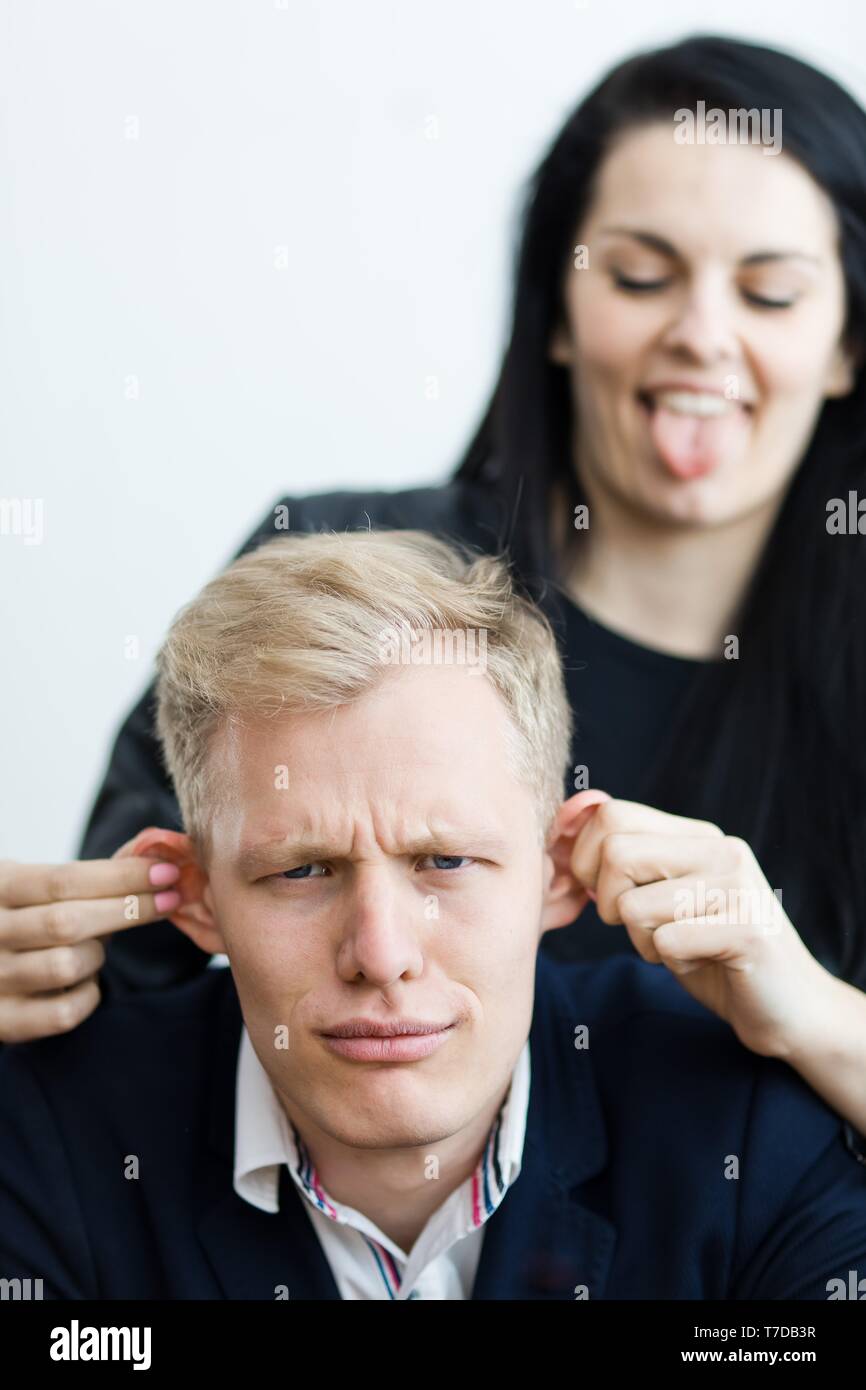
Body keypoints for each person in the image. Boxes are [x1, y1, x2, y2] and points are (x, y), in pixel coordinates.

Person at [3, 36, 866, 1150]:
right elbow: (115, 996)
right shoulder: (331, 569)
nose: (701, 335)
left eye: (769, 291)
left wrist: (809, 1011)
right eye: (641, 278)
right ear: (557, 311)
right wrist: (42, 982)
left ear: (846, 342)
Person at [1, 530, 865, 1301]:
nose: (381, 953)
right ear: (194, 896)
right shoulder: (47, 1139)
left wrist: (825, 1025)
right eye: (302, 870)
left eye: (445, 861)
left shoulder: (738, 1122)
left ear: (559, 869)